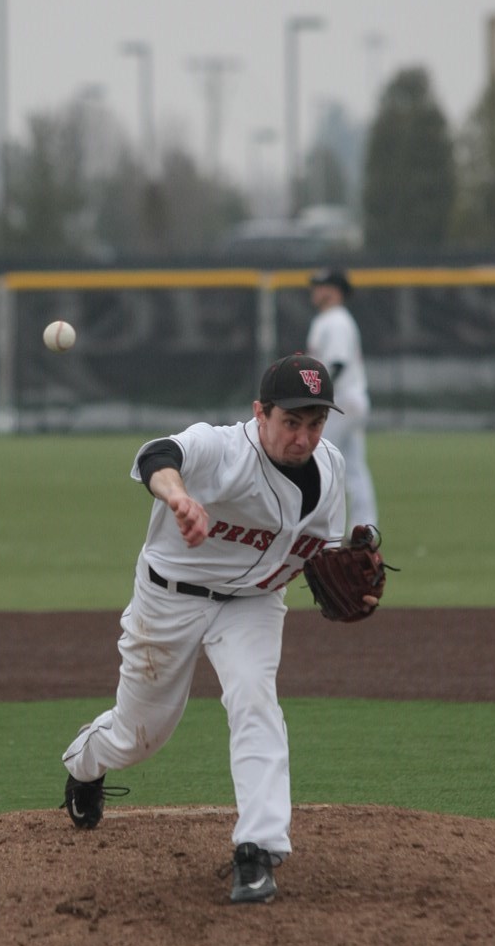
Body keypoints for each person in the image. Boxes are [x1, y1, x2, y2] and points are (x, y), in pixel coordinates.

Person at [60, 353, 378, 904]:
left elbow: (322, 550)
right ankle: (86, 765)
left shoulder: (330, 469)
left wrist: (351, 558)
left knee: (256, 701)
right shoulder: (225, 449)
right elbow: (160, 454)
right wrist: (177, 495)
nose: (303, 437)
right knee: (140, 735)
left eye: (315, 422)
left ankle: (257, 851)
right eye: (290, 422)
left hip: (253, 605)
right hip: (170, 598)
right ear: (260, 413)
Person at [307, 267, 379, 533]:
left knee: (319, 460)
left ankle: (320, 526)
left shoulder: (334, 320)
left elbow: (336, 364)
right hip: (352, 400)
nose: (314, 290)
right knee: (354, 467)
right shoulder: (334, 319)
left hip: (340, 402)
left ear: (335, 291)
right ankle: (365, 528)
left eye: (320, 285)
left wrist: (313, 396)